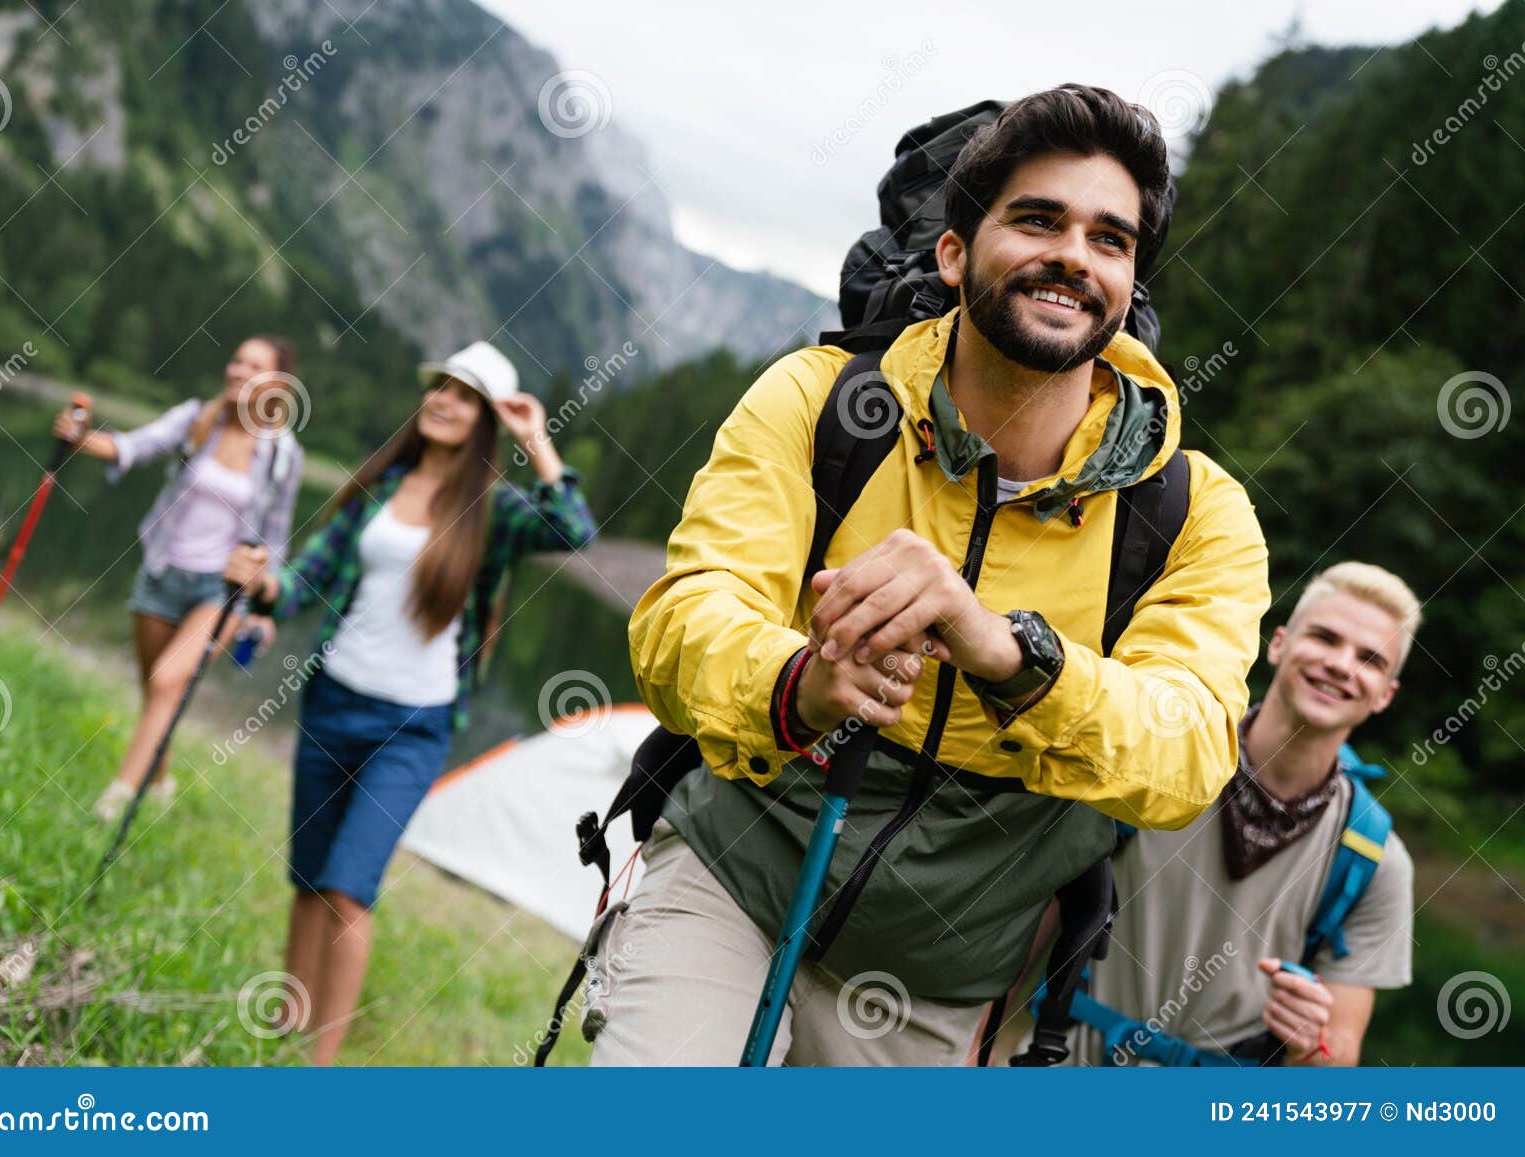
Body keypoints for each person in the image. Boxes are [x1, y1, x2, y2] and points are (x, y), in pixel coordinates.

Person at [592, 85, 1269, 1066]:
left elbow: (1189, 751)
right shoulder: (819, 401)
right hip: (735, 877)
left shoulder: (1194, 512)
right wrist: (802, 681)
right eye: (1037, 220)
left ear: (1129, 284)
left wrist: (1015, 654)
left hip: (939, 975)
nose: (1074, 256)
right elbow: (683, 619)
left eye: (1109, 239)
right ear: (954, 253)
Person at [224, 341, 597, 1065]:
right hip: (333, 701)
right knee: (307, 880)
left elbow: (573, 529)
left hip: (413, 727)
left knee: (348, 888)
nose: (444, 401)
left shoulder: (493, 511)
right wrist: (264, 585)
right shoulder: (380, 486)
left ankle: (319, 1066)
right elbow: (308, 578)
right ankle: (282, 1033)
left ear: (485, 417)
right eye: (439, 387)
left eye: (464, 395)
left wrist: (536, 439)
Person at [1068, 562, 1419, 1067]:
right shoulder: (1160, 759)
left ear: (1385, 694)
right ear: (1278, 644)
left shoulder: (1375, 861)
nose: (1342, 665)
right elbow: (1026, 938)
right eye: (1324, 638)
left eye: (1370, 658)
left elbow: (1336, 1062)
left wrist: (1309, 1041)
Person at [52, 336, 305, 820]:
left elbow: (275, 540)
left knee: (169, 680)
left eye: (253, 366)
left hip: (222, 591)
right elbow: (134, 446)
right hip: (163, 570)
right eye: (236, 360)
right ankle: (160, 778)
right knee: (156, 688)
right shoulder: (195, 418)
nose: (237, 370)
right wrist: (82, 438)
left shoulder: (283, 455)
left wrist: (265, 607)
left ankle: (116, 799)